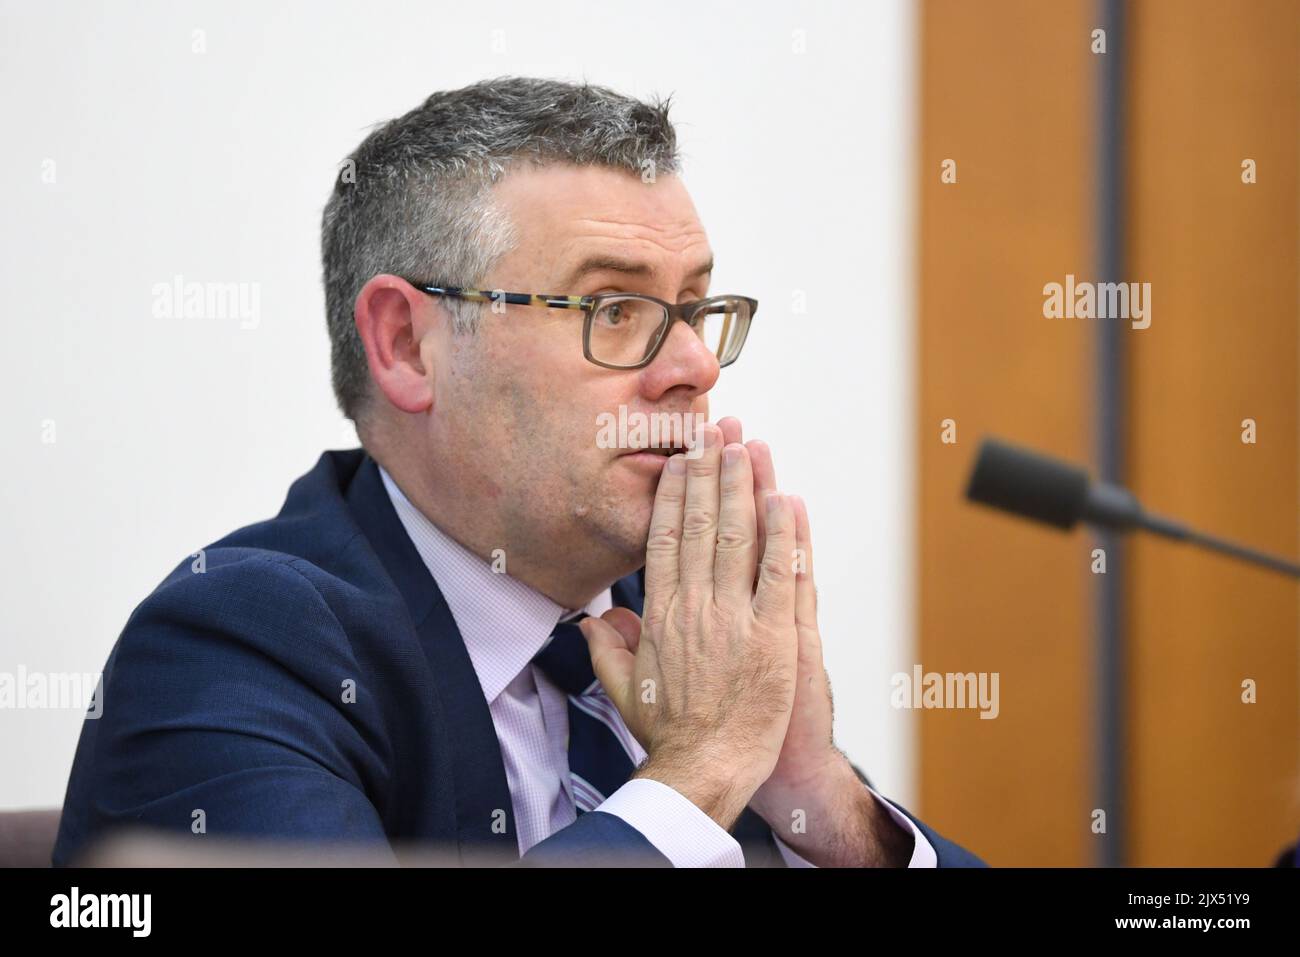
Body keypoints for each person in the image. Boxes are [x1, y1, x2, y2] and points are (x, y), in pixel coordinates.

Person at [54, 77, 984, 868]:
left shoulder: (686, 632)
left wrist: (824, 801)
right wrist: (699, 771)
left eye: (694, 307)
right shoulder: (233, 648)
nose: (695, 365)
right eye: (613, 307)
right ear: (408, 345)